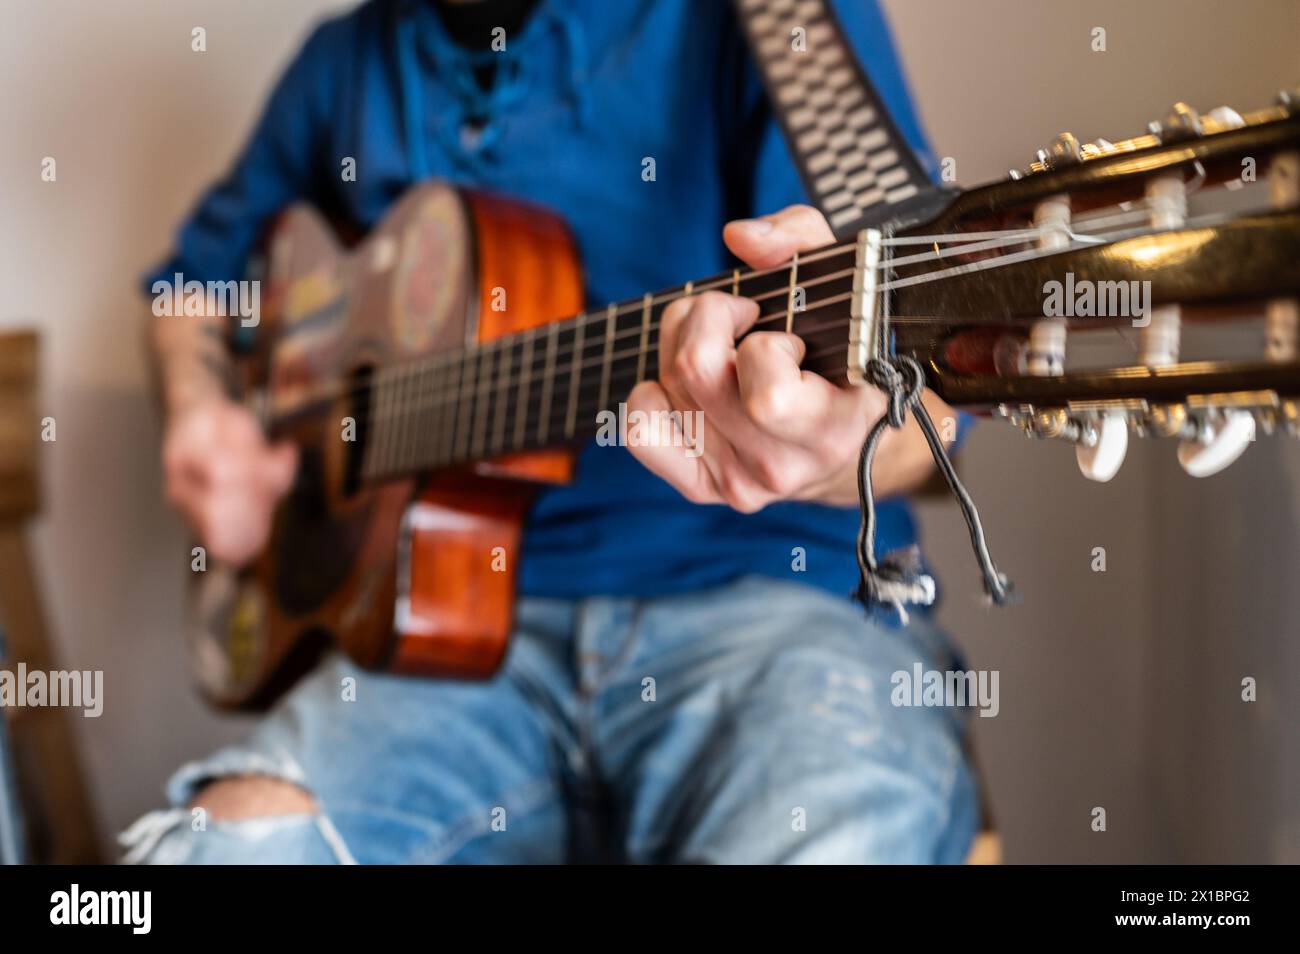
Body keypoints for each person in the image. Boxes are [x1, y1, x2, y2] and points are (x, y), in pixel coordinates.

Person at [126, 0, 978, 864]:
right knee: (221, 848)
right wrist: (202, 414)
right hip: (442, 645)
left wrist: (842, 444)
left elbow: (930, 401)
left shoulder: (778, 21)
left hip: (786, 610)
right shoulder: (342, 63)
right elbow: (188, 291)